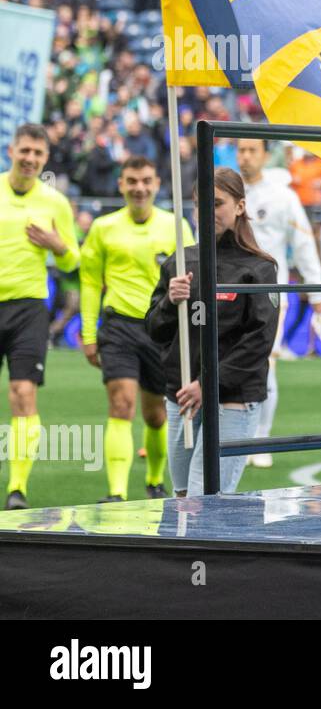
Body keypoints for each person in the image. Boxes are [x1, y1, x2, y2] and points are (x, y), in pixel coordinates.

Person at [145, 167, 279, 496]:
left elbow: (259, 342)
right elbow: (154, 330)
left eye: (216, 203)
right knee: (181, 496)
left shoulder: (260, 268)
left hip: (233, 397)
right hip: (182, 394)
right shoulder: (179, 262)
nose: (206, 212)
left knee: (203, 498)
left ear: (240, 206)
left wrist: (208, 384)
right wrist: (169, 303)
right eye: (198, 204)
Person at [79, 156, 194, 502]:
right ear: (121, 185)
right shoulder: (103, 228)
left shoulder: (176, 226)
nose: (139, 188)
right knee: (121, 404)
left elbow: (193, 279)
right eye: (132, 181)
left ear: (157, 184)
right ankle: (116, 494)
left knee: (156, 415)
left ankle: (155, 483)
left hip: (162, 328)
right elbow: (89, 282)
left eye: (146, 181)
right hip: (118, 326)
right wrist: (88, 334)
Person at [0, 124, 80, 510]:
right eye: (25, 151)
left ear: (46, 158)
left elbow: (72, 261)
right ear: (11, 151)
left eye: (37, 153)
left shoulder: (55, 203)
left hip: (28, 308)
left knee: (23, 393)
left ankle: (17, 489)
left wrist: (56, 245)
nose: (30, 159)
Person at [235, 138, 321, 468]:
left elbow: (303, 243)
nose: (245, 156)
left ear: (265, 155)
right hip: (228, 294)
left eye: (252, 150)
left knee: (265, 366)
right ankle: (234, 438)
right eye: (241, 150)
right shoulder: (226, 193)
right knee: (227, 365)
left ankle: (261, 439)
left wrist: (318, 293)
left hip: (270, 296)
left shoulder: (283, 196)